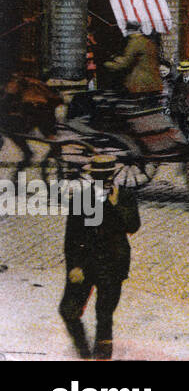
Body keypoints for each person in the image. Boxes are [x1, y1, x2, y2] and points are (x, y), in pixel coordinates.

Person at [59, 154, 140, 360]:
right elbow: (72, 237)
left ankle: (102, 356)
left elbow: (133, 226)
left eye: (106, 176)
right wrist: (73, 267)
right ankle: (83, 352)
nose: (103, 181)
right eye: (98, 176)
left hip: (114, 263)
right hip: (86, 264)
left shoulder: (125, 196)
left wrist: (115, 206)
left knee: (104, 315)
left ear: (113, 175)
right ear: (92, 176)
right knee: (68, 310)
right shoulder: (81, 199)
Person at [100, 22, 163, 97]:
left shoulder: (135, 42)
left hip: (140, 84)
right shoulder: (148, 41)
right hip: (154, 83)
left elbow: (125, 63)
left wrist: (106, 64)